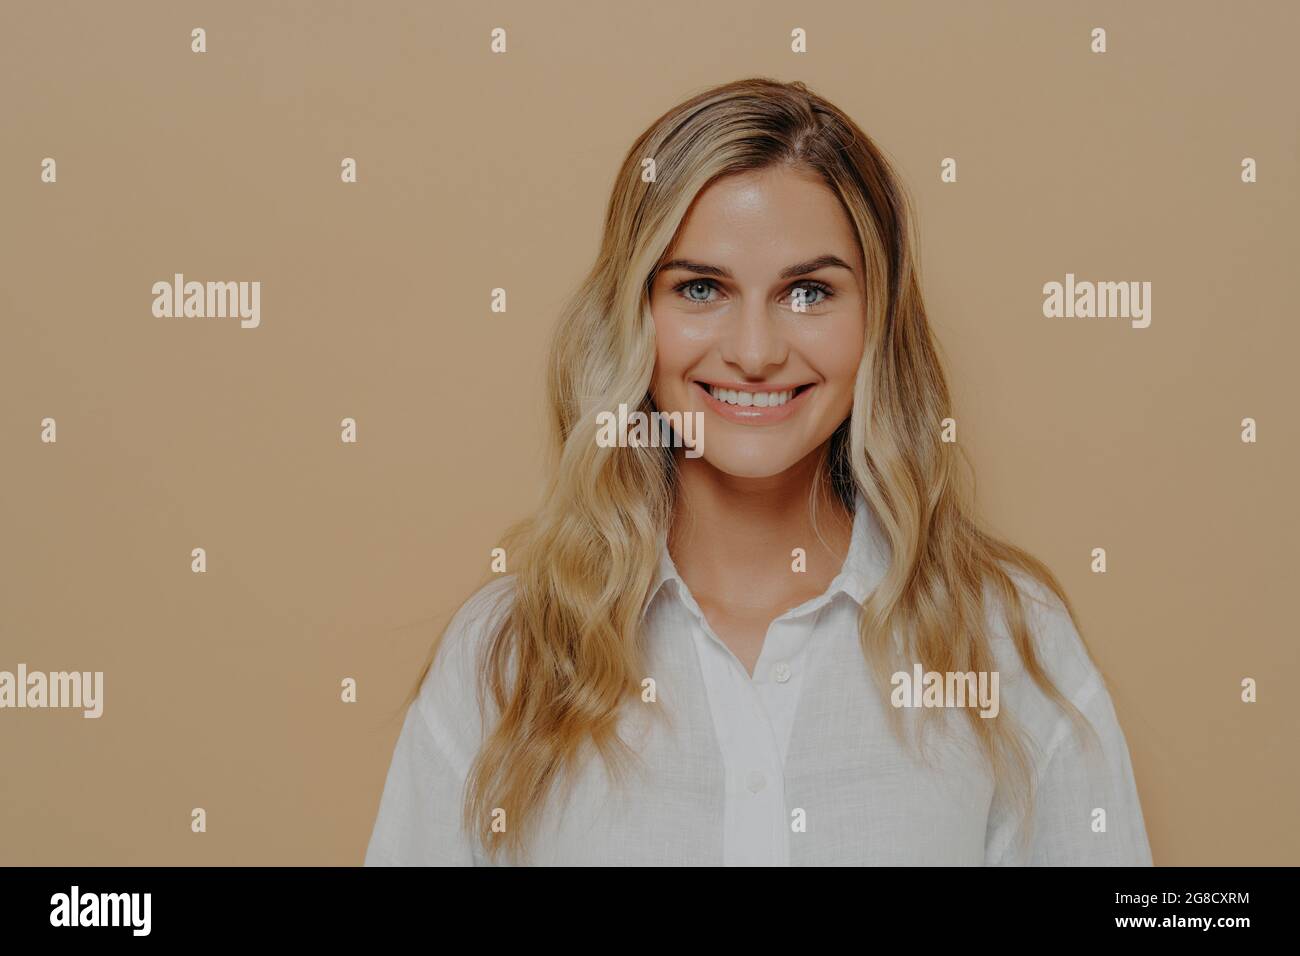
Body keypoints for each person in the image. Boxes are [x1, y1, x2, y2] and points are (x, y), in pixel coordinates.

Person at [364, 77, 1152, 866]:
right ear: (635, 313)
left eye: (808, 292)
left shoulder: (1008, 642)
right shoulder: (506, 656)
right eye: (700, 288)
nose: (754, 350)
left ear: (877, 319)